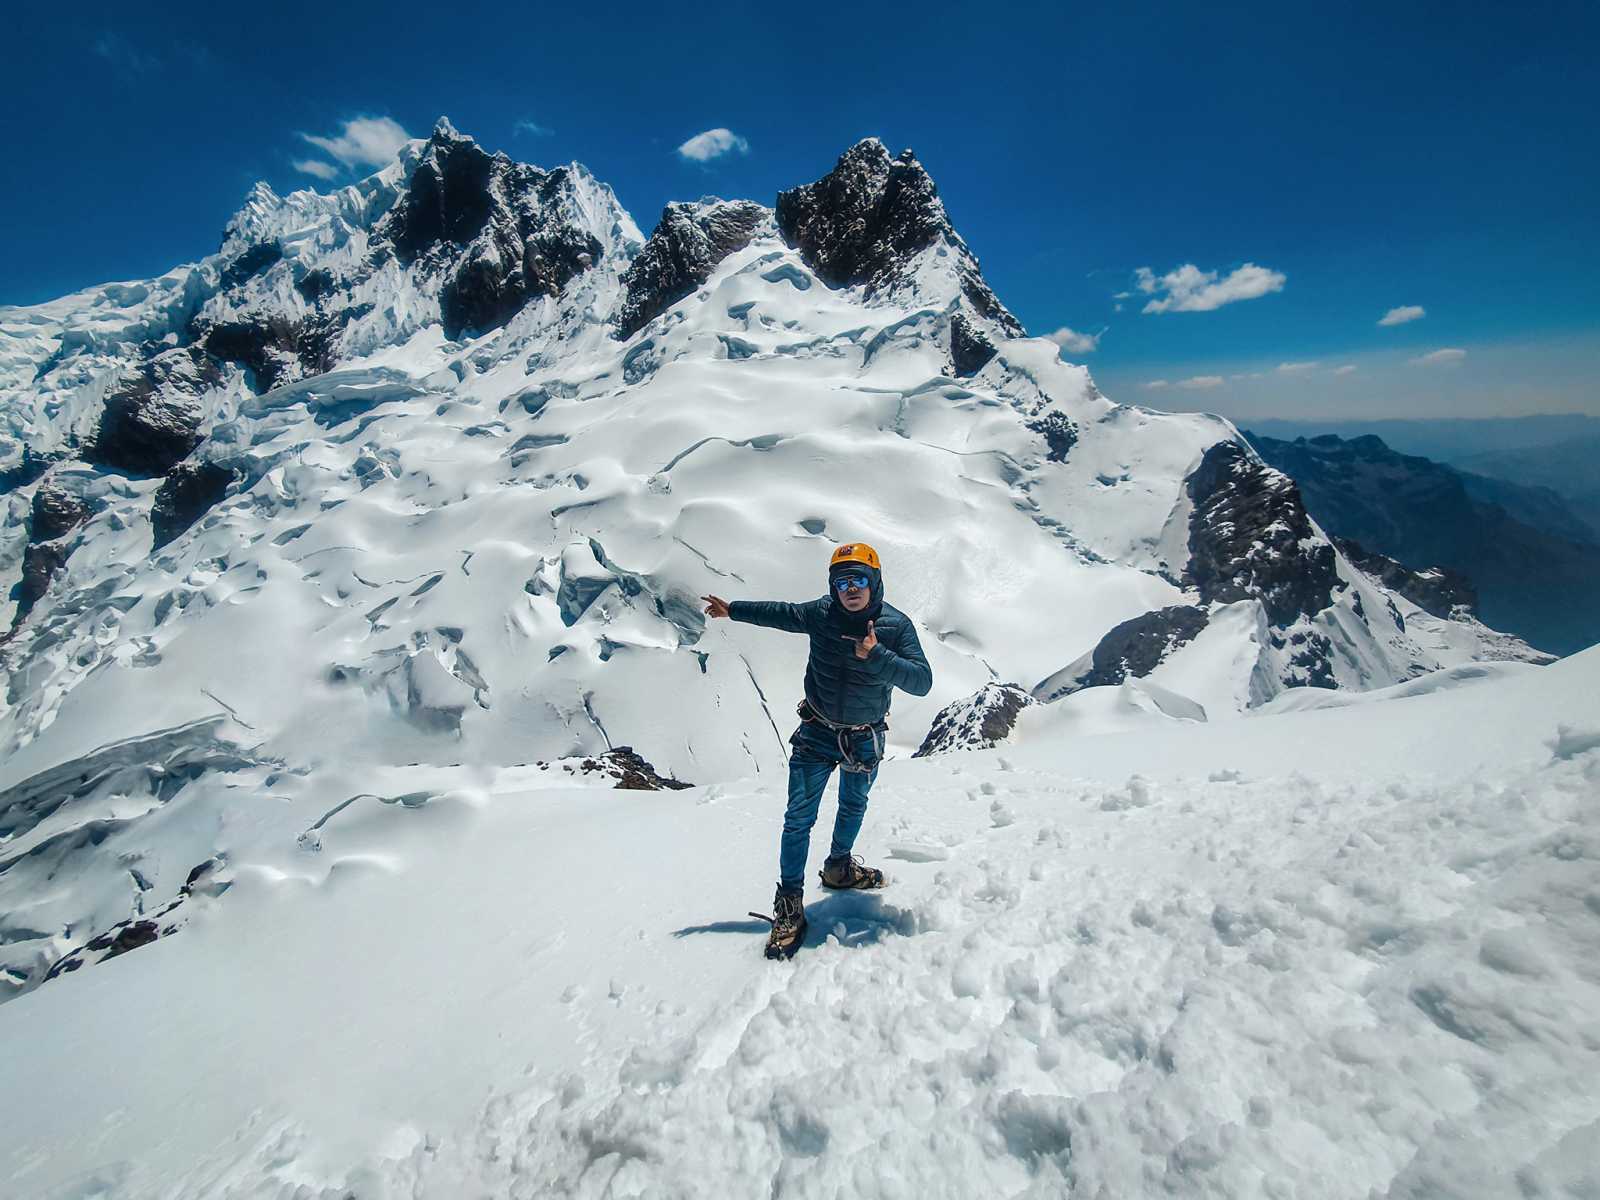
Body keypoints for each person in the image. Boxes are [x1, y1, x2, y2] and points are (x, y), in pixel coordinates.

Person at [702, 541, 933, 958]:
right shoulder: (822, 613)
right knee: (798, 819)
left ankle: (839, 868)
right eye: (842, 580)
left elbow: (922, 681)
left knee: (852, 806)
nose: (851, 588)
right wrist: (732, 609)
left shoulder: (895, 627)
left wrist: (877, 655)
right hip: (817, 731)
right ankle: (790, 902)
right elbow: (783, 614)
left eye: (859, 578)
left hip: (863, 735)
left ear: (875, 581)